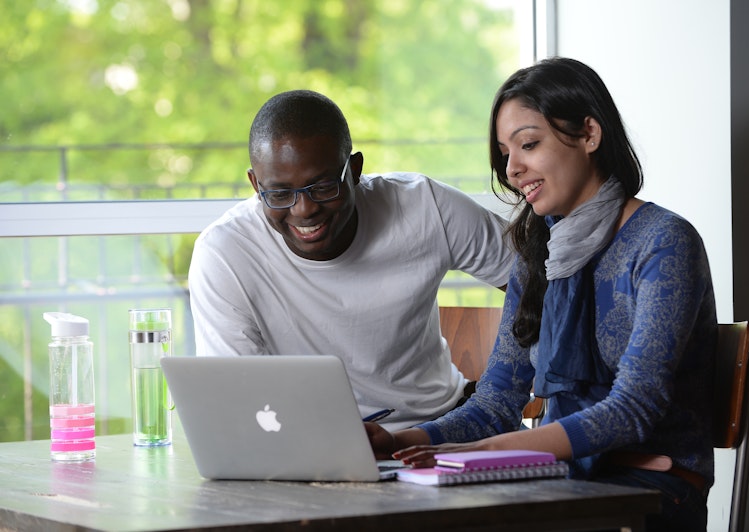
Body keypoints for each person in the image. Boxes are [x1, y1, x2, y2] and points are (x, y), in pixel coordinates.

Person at [367, 57, 717, 531]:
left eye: (529, 144)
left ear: (590, 135)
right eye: (504, 153)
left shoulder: (665, 241)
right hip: (561, 483)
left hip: (653, 493)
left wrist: (482, 454)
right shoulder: (539, 255)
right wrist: (396, 439)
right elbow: (496, 404)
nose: (512, 169)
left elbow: (634, 408)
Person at [188, 89, 514, 432]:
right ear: (256, 185)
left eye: (323, 186)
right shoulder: (224, 253)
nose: (304, 209)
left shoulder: (424, 207)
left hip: (439, 430)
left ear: (354, 170)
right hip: (310, 441)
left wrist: (502, 388)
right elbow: (237, 399)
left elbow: (543, 278)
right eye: (280, 193)